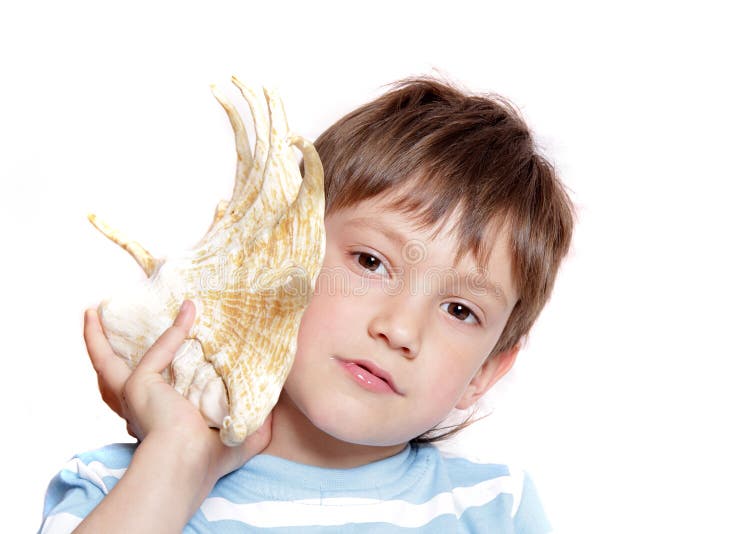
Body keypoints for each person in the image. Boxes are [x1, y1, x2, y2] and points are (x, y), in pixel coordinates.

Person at [40, 77, 575, 533]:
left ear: (487, 369)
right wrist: (176, 457)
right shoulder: (122, 491)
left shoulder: (495, 509)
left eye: (459, 310)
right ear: (282, 253)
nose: (399, 329)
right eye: (370, 262)